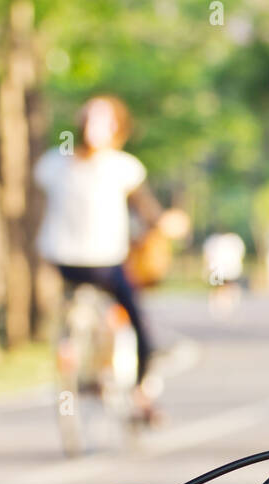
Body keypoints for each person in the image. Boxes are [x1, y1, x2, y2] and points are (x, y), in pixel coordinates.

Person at [34, 95, 165, 421]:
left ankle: (137, 388)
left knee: (135, 322)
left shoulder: (119, 166)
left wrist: (163, 224)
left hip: (101, 261)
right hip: (73, 262)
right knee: (134, 320)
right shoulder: (58, 163)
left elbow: (147, 210)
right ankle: (96, 368)